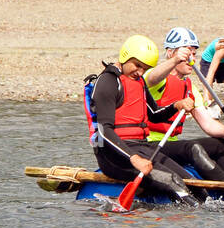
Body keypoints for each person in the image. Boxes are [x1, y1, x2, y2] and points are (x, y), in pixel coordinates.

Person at [82, 35, 200, 203]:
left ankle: (209, 210)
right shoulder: (107, 82)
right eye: (137, 65)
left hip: (141, 148)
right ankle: (194, 213)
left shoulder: (139, 81)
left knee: (188, 179)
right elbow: (104, 131)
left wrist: (177, 105)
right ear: (125, 56)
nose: (140, 72)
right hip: (112, 156)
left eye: (144, 68)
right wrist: (134, 159)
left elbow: (154, 114)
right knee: (171, 180)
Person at [144, 27, 224, 187]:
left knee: (220, 144)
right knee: (193, 147)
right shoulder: (156, 77)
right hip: (148, 145)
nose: (191, 59)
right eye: (187, 54)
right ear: (171, 53)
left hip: (170, 144)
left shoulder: (189, 88)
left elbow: (207, 124)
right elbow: (151, 78)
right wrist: (174, 61)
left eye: (194, 54)